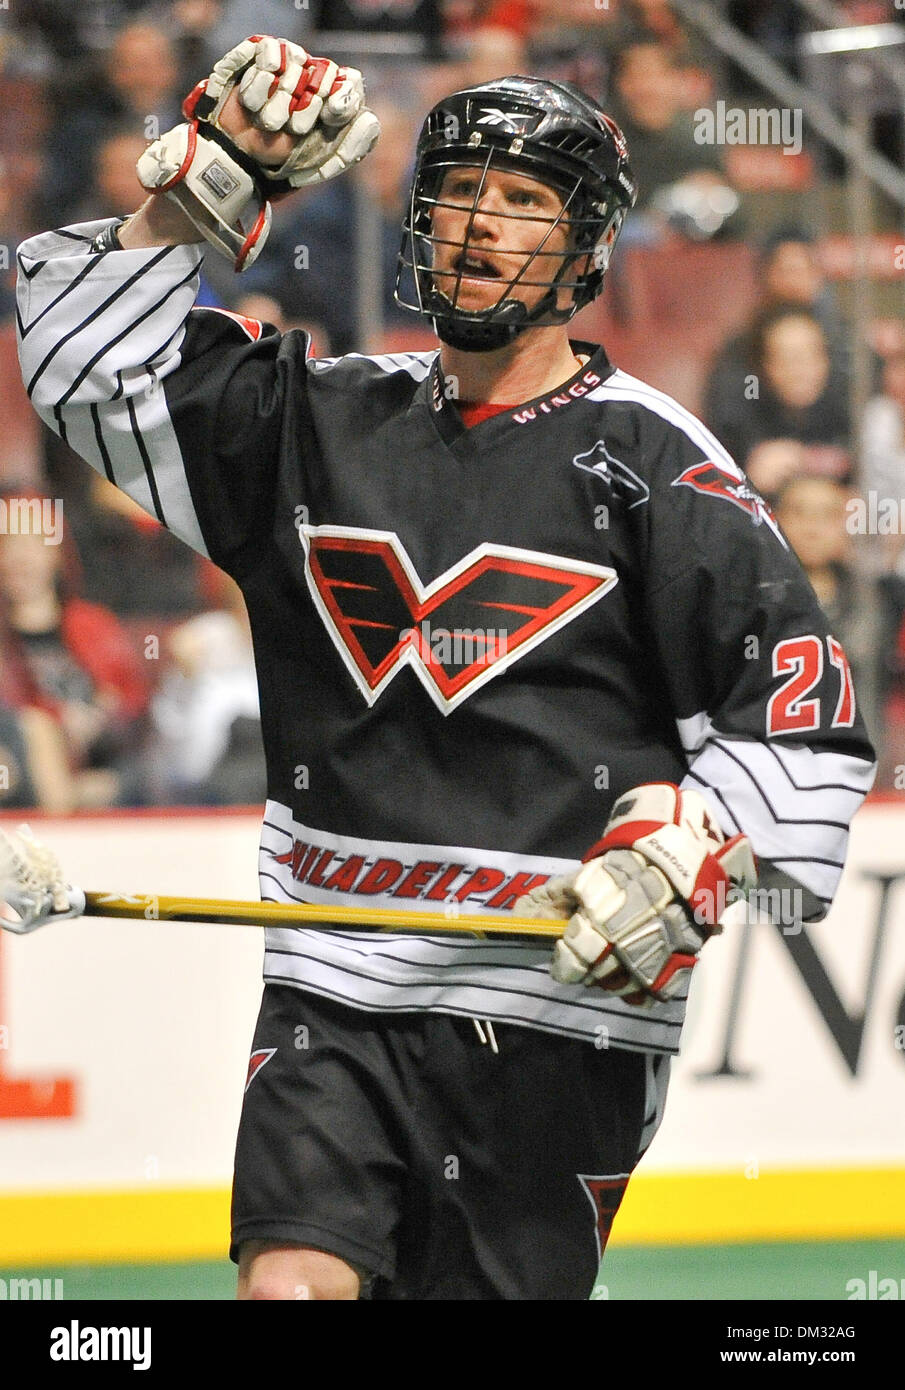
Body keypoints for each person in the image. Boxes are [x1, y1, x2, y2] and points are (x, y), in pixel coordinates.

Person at [15, 36, 875, 1300]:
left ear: (588, 252)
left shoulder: (658, 463)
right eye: (463, 188)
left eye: (525, 200)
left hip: (557, 1019)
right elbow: (86, 372)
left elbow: (800, 736)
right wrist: (204, 189)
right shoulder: (318, 420)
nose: (483, 223)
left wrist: (689, 851)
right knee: (287, 1285)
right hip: (333, 985)